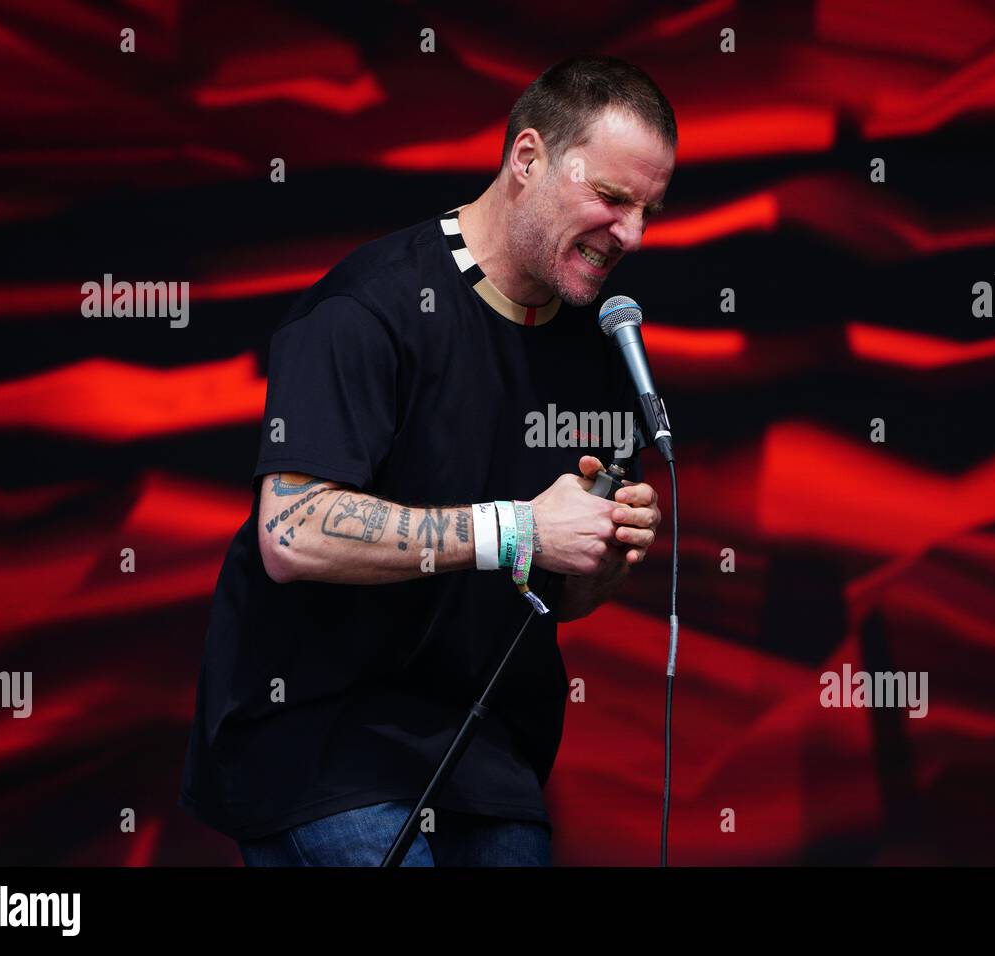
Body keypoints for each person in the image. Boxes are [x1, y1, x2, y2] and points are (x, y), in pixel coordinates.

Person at [178, 54, 675, 866]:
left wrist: (600, 551)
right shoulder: (368, 307)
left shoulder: (598, 349)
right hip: (323, 737)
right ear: (526, 160)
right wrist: (517, 528)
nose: (631, 234)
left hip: (483, 748)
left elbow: (562, 593)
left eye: (648, 211)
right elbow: (292, 531)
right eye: (612, 199)